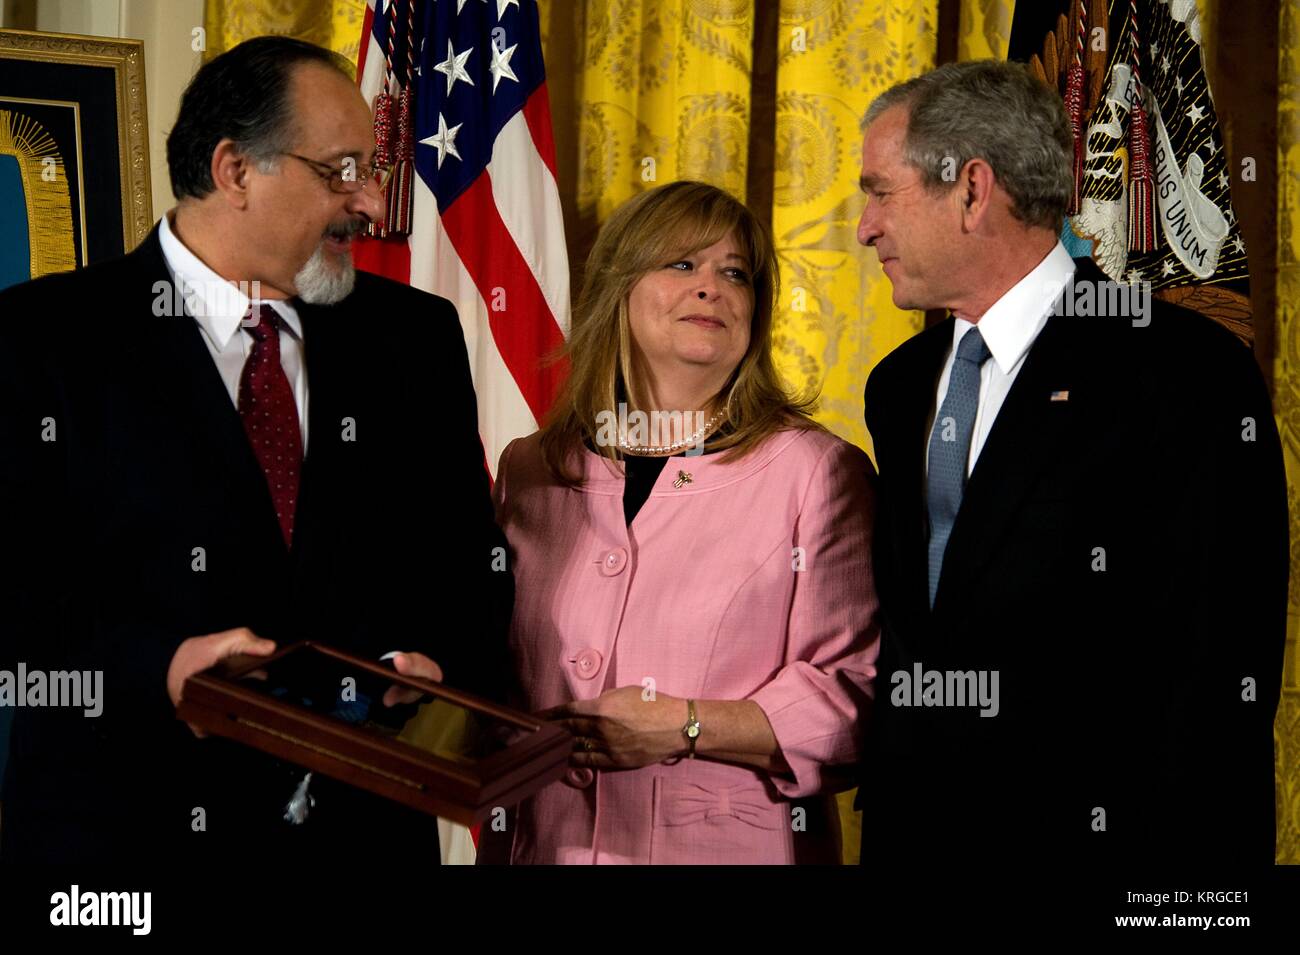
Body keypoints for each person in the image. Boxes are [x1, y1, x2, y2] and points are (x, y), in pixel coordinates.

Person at [0, 36, 511, 865]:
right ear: (235, 170)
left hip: (361, 840)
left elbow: (471, 569)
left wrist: (433, 666)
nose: (373, 204)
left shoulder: (414, 340)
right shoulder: (37, 341)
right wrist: (161, 669)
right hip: (124, 842)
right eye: (341, 171)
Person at [855, 59, 1288, 865]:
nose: (864, 226)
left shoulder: (1182, 372)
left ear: (972, 190)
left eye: (880, 191)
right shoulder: (901, 385)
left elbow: (1219, 677)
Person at [478, 181, 880, 865]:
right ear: (618, 287)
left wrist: (686, 725)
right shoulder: (530, 468)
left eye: (734, 273)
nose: (710, 287)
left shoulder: (813, 471)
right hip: (538, 846)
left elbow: (854, 696)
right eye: (681, 263)